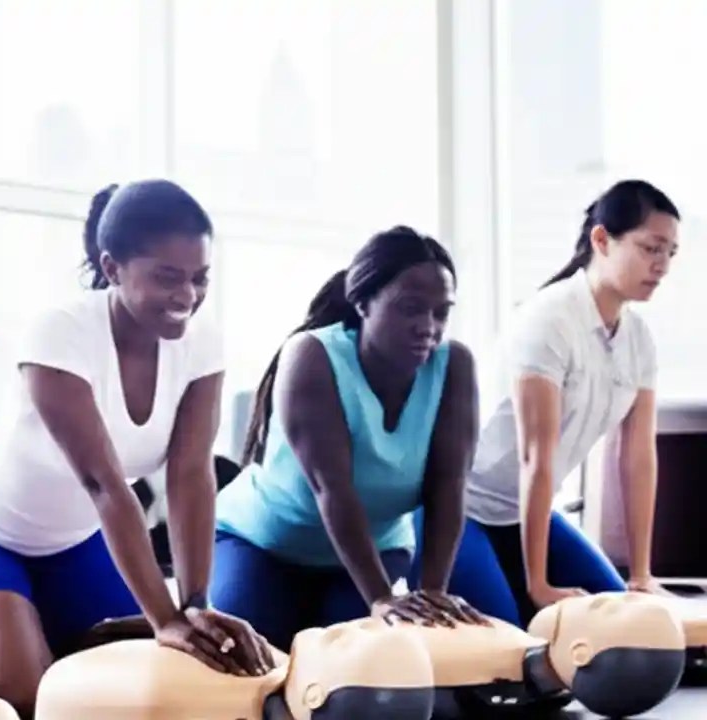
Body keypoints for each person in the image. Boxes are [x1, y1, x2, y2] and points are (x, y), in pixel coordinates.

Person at [0, 180, 274, 718]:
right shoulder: (60, 332)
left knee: (140, 672)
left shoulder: (201, 341)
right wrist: (164, 618)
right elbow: (105, 484)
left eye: (199, 278)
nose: (186, 296)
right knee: (25, 697)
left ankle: (24, 628)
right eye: (167, 277)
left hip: (73, 541)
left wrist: (194, 602)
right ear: (113, 267)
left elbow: (191, 476)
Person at [419, 179, 680, 627]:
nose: (662, 266)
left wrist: (640, 575)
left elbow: (637, 458)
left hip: (520, 514)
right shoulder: (549, 319)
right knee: (506, 635)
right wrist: (538, 586)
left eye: (670, 254)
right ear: (602, 239)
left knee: (625, 623)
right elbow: (534, 460)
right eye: (651, 248)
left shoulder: (639, 339)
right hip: (457, 507)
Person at [212, 226, 486, 652]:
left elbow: (448, 486)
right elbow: (332, 489)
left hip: (375, 551)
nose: (427, 327)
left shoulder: (455, 366)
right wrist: (380, 599)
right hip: (263, 543)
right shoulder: (312, 355)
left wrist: (433, 594)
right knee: (251, 656)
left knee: (353, 660)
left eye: (440, 312)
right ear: (362, 303)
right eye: (411, 309)